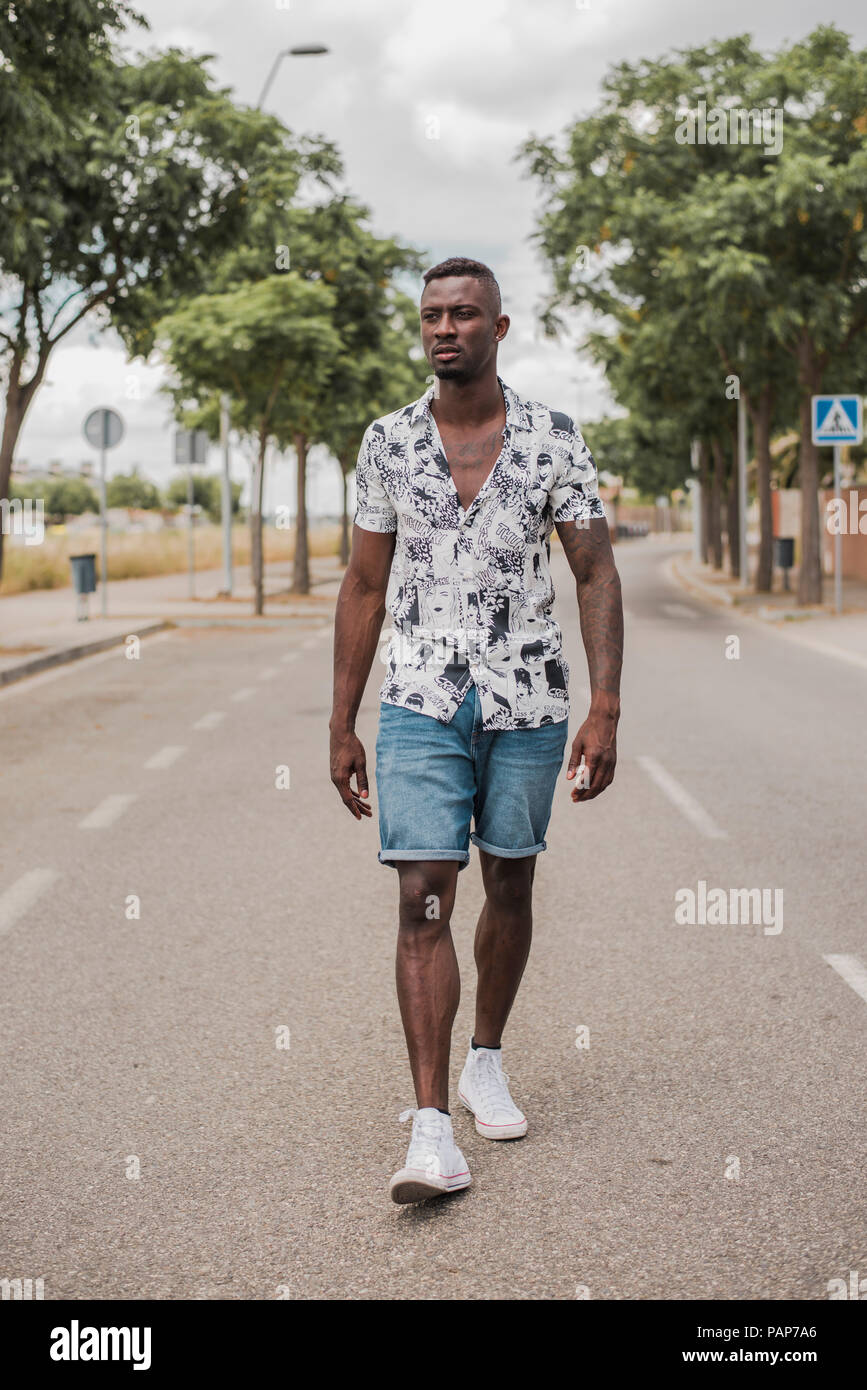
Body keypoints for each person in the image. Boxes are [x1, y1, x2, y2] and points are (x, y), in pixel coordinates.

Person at [330, 257, 623, 1204]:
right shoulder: (386, 442)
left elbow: (594, 573)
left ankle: (485, 1057)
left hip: (528, 700)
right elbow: (365, 584)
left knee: (511, 877)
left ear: (501, 328)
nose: (444, 328)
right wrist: (341, 720)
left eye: (464, 314)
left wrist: (604, 705)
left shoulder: (552, 440)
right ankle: (429, 1133)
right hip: (418, 700)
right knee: (422, 891)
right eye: (431, 315)